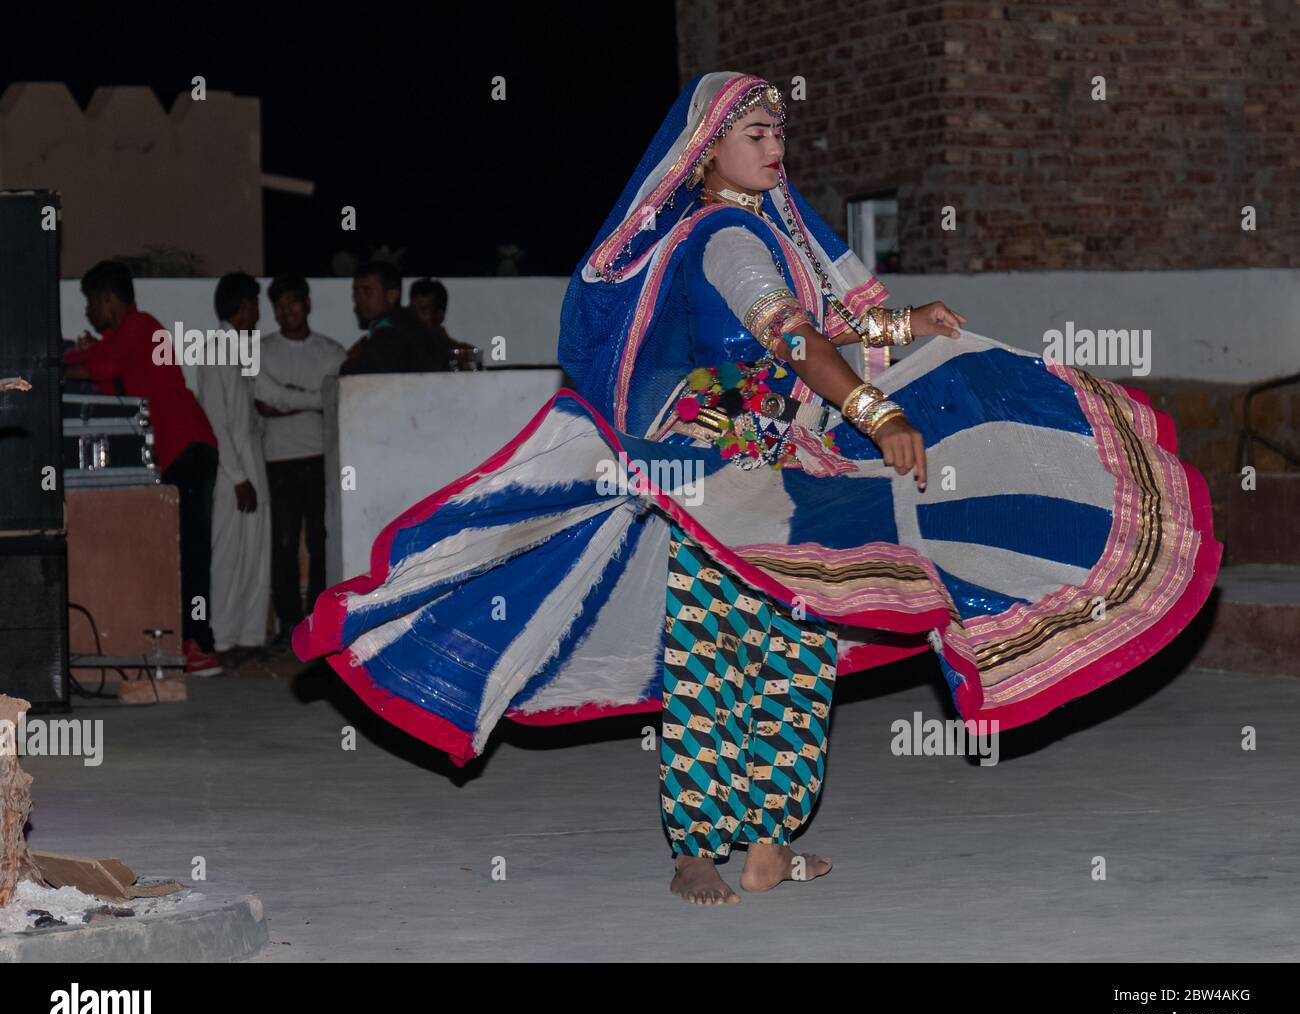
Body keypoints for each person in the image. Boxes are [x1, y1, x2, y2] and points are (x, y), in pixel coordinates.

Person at [294, 73, 1220, 906]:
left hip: (794, 469)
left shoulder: (769, 231)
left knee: (800, 653)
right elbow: (789, 336)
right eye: (755, 134)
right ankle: (698, 850)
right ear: (707, 152)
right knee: (713, 657)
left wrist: (909, 323)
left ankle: (771, 841)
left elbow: (826, 323)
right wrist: (875, 412)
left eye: (779, 131)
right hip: (719, 478)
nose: (776, 146)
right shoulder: (724, 236)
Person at [63, 261, 222, 677]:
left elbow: (99, 367)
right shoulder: (123, 338)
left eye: (90, 303)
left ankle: (198, 645)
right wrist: (64, 358)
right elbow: (98, 364)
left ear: (108, 300)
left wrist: (54, 366)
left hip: (188, 447)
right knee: (180, 551)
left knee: (191, 553)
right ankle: (190, 641)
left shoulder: (141, 326)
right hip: (179, 453)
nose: (88, 312)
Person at [254, 274, 346, 650]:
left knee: (322, 541)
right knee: (283, 543)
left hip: (320, 456)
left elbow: (339, 402)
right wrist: (315, 399)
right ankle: (289, 623)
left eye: (292, 302)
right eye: (278, 305)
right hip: (277, 458)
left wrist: (287, 398)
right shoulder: (261, 351)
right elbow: (263, 405)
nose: (285, 310)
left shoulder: (332, 352)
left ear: (307, 304)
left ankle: (318, 622)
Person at [188, 272, 271, 659]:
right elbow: (216, 421)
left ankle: (249, 638)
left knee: (255, 557)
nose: (259, 313)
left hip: (254, 469)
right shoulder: (215, 351)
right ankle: (221, 639)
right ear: (244, 306)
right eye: (255, 304)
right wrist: (238, 478)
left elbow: (256, 408)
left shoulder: (242, 351)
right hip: (231, 476)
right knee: (228, 559)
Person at [340, 261, 450, 375]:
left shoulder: (391, 333)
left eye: (367, 291)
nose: (359, 299)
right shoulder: (406, 326)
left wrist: (350, 362)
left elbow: (360, 376)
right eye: (356, 293)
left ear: (392, 295)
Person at [409, 277, 473, 368]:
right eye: (411, 310)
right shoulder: (401, 347)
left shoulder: (462, 354)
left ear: (440, 315)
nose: (414, 315)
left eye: (423, 310)